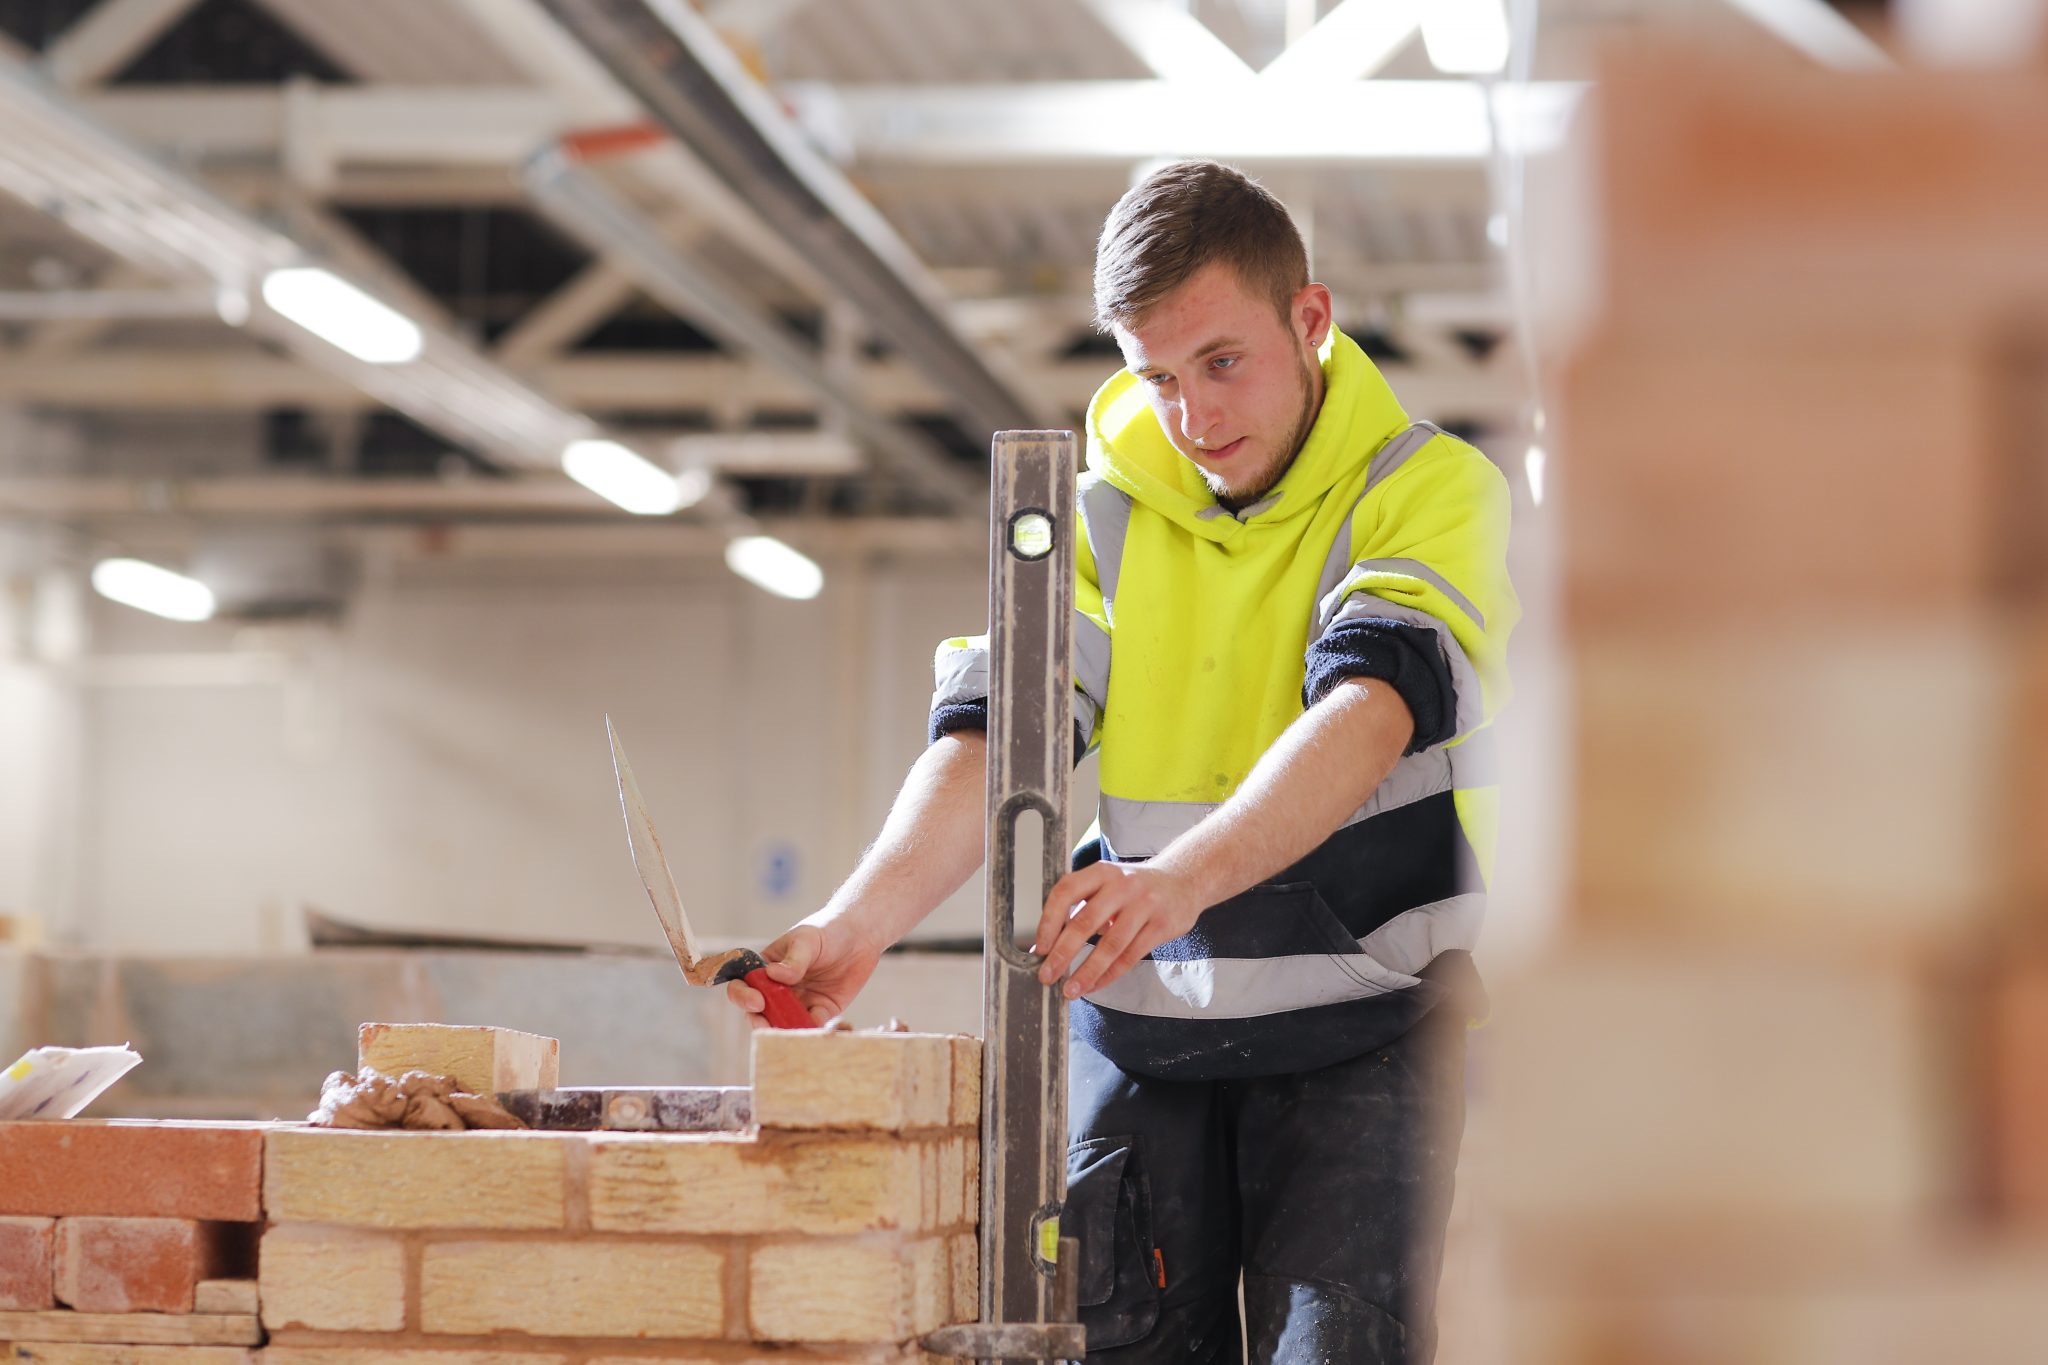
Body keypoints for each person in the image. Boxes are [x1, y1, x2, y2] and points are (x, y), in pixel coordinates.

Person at [730, 160, 1518, 1364]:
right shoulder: (1096, 515)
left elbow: (1369, 710)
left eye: (1220, 362)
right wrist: (854, 923)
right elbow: (998, 736)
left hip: (1365, 1030)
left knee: (1336, 1345)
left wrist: (1178, 881)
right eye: (1155, 376)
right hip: (1143, 1028)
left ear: (1309, 321)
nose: (1194, 417)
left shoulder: (1423, 490)